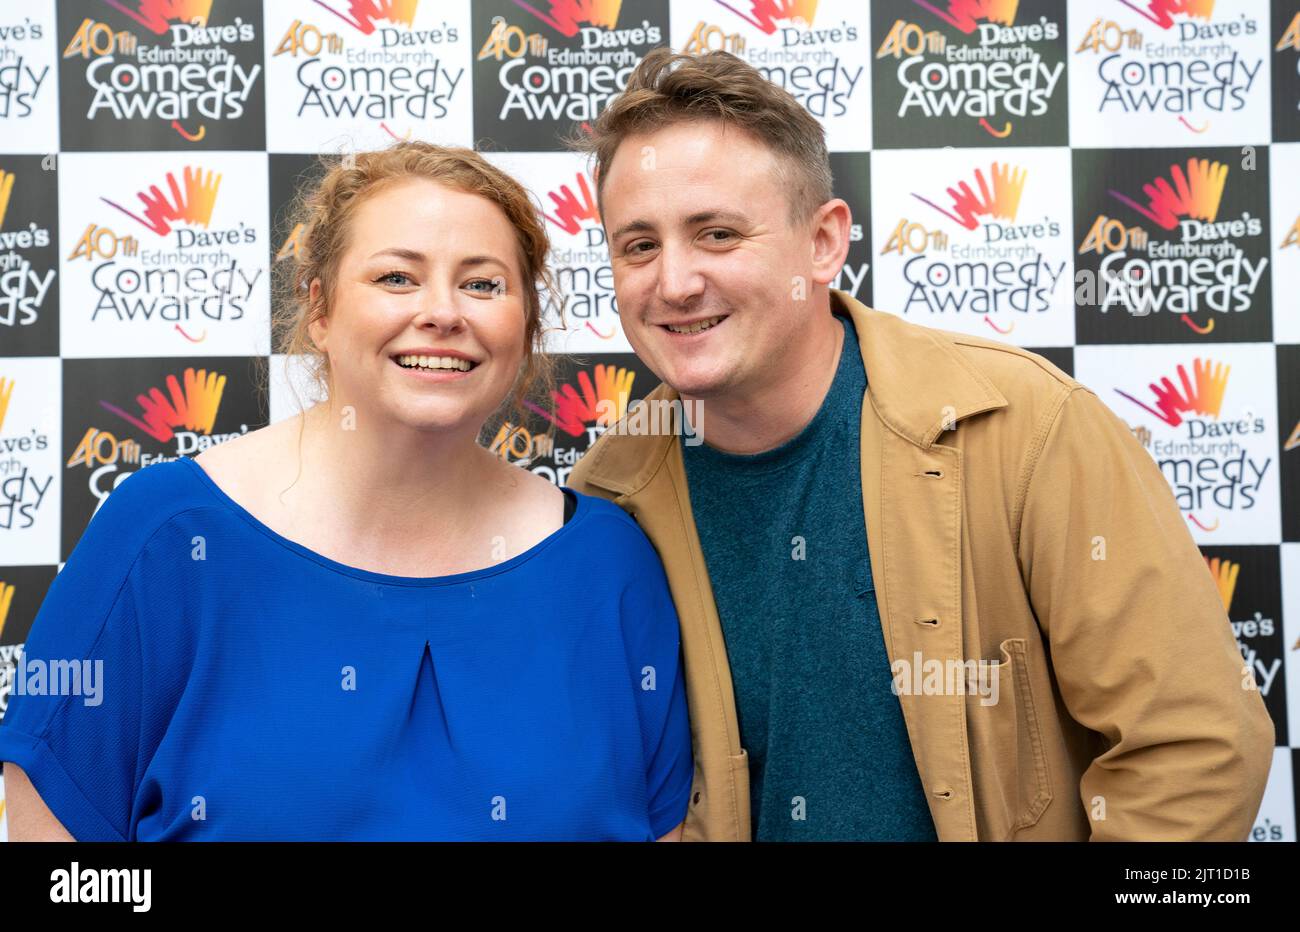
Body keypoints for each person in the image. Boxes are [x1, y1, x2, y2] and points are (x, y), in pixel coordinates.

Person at [565, 48, 1275, 841]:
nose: (674, 282)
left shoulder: (1025, 424)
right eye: (638, 246)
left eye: (718, 234)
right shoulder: (606, 500)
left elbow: (1197, 750)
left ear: (824, 243)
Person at [0, 142, 692, 841]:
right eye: (396, 277)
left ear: (526, 326)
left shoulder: (609, 564)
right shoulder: (163, 538)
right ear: (320, 309)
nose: (442, 312)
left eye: (482, 284)